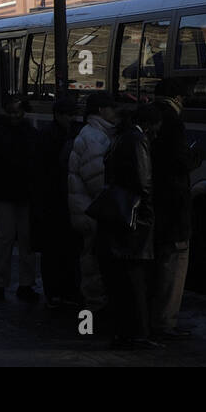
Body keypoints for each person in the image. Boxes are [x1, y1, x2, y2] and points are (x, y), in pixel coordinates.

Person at [97, 104, 158, 349]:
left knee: (119, 280)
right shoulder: (138, 140)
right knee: (135, 280)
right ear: (151, 123)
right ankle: (138, 333)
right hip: (133, 219)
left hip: (116, 214)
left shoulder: (119, 138)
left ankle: (121, 332)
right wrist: (150, 214)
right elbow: (145, 183)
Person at [0, 95, 40, 302]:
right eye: (12, 111)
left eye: (17, 111)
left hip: (8, 192)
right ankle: (23, 283)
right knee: (21, 239)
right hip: (18, 192)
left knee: (11, 238)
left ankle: (3, 283)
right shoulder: (29, 133)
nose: (14, 115)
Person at [150, 79, 197, 339]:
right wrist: (194, 158)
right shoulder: (173, 121)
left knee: (158, 260)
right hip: (173, 204)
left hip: (155, 204)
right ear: (178, 97)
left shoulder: (149, 116)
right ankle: (166, 320)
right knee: (175, 262)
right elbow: (180, 160)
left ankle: (155, 317)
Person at [67, 91, 119, 308]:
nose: (115, 112)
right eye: (111, 108)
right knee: (93, 260)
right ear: (101, 110)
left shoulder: (95, 133)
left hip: (88, 209)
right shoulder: (93, 137)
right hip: (91, 211)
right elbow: (97, 180)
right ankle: (95, 304)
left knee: (93, 258)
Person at [31, 95, 81, 310]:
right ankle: (58, 292)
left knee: (61, 250)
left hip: (58, 198)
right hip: (54, 199)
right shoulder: (52, 136)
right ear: (59, 115)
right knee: (56, 250)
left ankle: (61, 292)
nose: (72, 118)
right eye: (68, 114)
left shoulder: (51, 134)